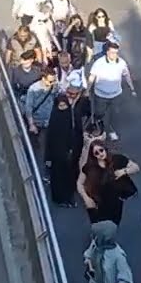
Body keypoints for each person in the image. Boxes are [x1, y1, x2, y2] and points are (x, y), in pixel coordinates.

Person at [46, 73, 90, 206]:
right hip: (59, 154)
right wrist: (48, 157)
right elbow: (50, 138)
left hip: (71, 152)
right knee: (59, 177)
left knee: (69, 174)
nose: (64, 107)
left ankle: (69, 194)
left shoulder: (70, 114)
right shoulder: (56, 118)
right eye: (61, 105)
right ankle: (61, 199)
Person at [77, 139, 140, 225]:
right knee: (98, 223)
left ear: (105, 149)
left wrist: (123, 171)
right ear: (93, 155)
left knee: (114, 222)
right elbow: (79, 183)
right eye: (96, 153)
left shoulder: (117, 159)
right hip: (98, 202)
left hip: (116, 201)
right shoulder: (89, 168)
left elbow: (136, 167)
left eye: (101, 150)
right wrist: (86, 198)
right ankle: (97, 236)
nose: (100, 154)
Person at [87, 40, 136, 141]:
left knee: (115, 113)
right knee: (99, 113)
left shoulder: (121, 63)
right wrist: (87, 90)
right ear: (107, 52)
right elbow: (92, 76)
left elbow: (127, 75)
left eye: (116, 52)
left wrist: (132, 88)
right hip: (101, 95)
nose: (115, 55)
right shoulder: (99, 63)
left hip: (116, 95)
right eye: (112, 52)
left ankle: (111, 130)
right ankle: (99, 127)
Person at [23, 69, 60, 140]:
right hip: (36, 123)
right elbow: (28, 107)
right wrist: (31, 124)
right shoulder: (33, 89)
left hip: (48, 123)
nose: (53, 83)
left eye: (54, 80)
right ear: (43, 79)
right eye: (50, 81)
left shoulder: (55, 87)